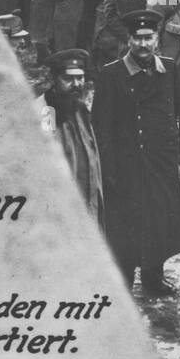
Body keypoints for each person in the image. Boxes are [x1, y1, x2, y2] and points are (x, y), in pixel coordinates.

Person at [93, 9, 180, 295]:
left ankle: (154, 276)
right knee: (126, 222)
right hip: (126, 163)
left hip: (160, 160)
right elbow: (100, 127)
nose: (143, 44)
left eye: (148, 38)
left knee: (159, 219)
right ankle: (124, 280)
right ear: (128, 40)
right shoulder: (110, 74)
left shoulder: (169, 69)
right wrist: (106, 166)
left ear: (156, 39)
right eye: (137, 38)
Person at [42, 49, 103, 228]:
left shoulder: (81, 109)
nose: (76, 84)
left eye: (80, 78)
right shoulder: (47, 112)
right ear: (54, 80)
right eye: (68, 79)